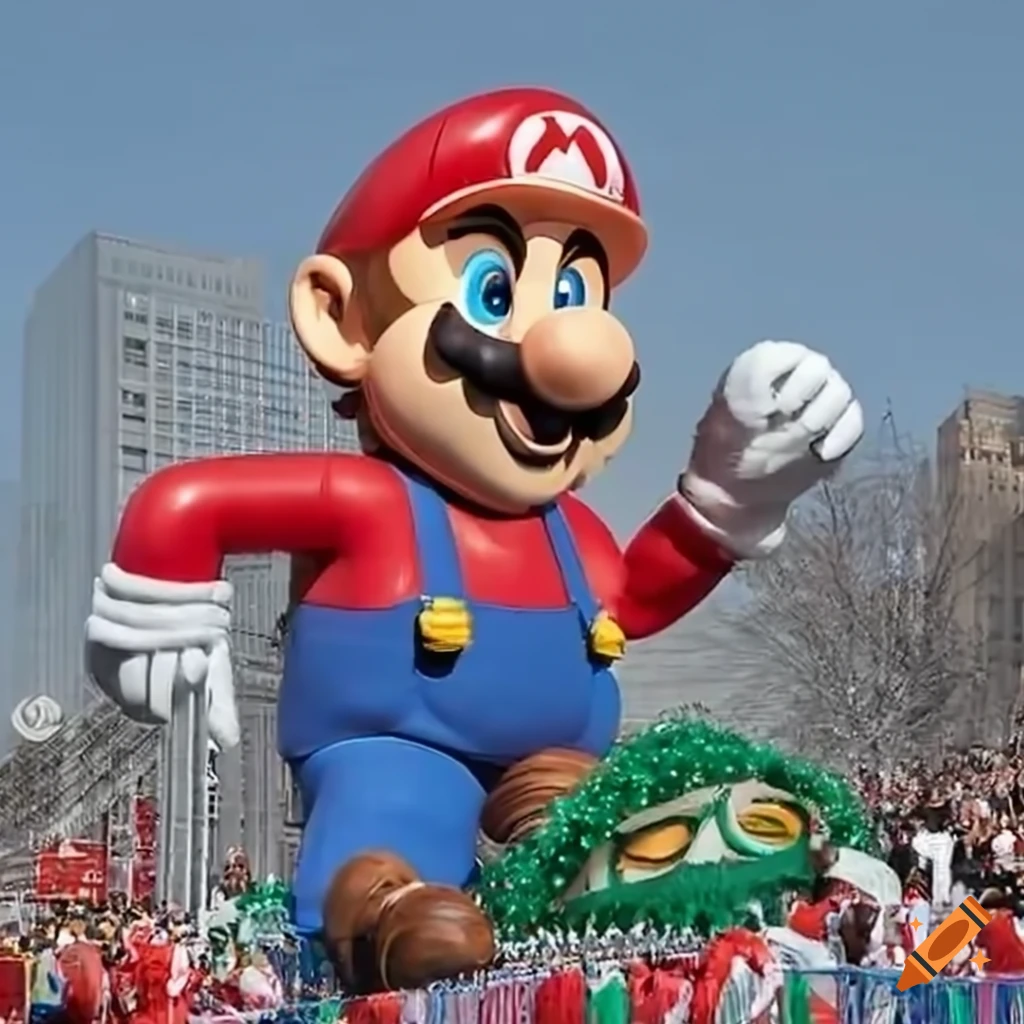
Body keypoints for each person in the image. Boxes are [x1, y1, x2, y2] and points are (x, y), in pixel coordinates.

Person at [83, 87, 864, 990]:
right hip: (402, 751)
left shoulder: (574, 531)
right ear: (341, 318)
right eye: (495, 290)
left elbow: (638, 596)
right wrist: (157, 596)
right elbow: (192, 500)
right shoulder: (370, 502)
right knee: (399, 825)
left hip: (560, 778)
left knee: (606, 843)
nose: (575, 353)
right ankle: (386, 918)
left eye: (576, 293)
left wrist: (724, 499)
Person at [912, 807, 954, 908]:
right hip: (929, 881)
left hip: (940, 881)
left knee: (942, 871)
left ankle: (942, 899)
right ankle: (941, 900)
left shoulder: (944, 839)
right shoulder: (921, 838)